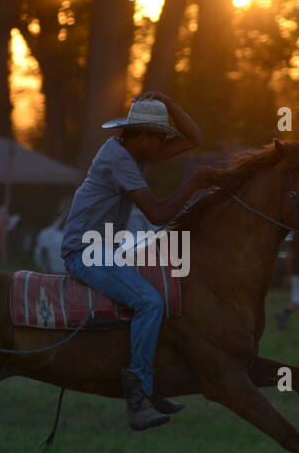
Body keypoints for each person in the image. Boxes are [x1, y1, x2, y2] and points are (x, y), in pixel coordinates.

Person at [59, 92, 211, 431]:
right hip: (87, 251)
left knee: (169, 289)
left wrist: (170, 104)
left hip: (107, 248)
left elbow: (195, 139)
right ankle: (139, 392)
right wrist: (194, 184)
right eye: (159, 139)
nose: (162, 147)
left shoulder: (131, 152)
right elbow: (157, 214)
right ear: (141, 136)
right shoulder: (121, 160)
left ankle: (154, 381)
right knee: (149, 302)